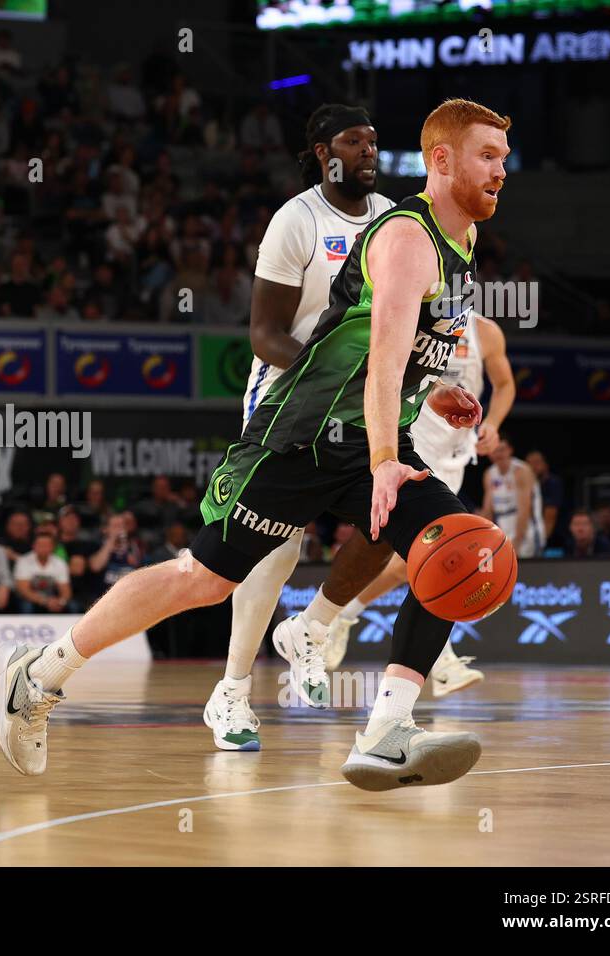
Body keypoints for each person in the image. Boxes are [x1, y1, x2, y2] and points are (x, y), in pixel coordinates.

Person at [0, 98, 510, 792]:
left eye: (504, 158)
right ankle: (39, 674)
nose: (502, 170)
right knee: (204, 579)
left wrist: (435, 387)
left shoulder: (464, 238)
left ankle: (387, 728)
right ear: (441, 161)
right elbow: (381, 360)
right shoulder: (408, 238)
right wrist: (391, 462)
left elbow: (401, 355)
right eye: (488, 156)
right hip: (300, 434)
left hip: (363, 435)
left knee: (456, 542)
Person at [200, 104, 397, 751]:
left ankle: (311, 628)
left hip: (363, 398)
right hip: (288, 393)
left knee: (394, 516)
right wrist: (330, 377)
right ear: (322, 151)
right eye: (352, 141)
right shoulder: (297, 221)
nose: (366, 151)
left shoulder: (395, 221)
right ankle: (231, 693)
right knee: (275, 546)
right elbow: (263, 334)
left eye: (372, 141)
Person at [323, 312, 516, 697]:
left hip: (455, 454)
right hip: (411, 443)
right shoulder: (413, 314)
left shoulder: (486, 332)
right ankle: (440, 663)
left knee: (423, 562)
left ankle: (342, 614)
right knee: (424, 557)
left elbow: (506, 383)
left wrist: (492, 423)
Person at [481, 434, 545, 558]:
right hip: (502, 526)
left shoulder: (521, 470)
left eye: (502, 450)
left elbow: (525, 510)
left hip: (527, 527)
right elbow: (488, 511)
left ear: (510, 450)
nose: (499, 454)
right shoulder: (489, 474)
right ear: (489, 453)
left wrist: (517, 541)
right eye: (495, 450)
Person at [13, 531, 74, 614]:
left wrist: (61, 602)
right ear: (34, 546)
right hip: (31, 600)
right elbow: (24, 590)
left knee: (73, 606)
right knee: (26, 606)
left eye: (47, 545)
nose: (43, 548)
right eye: (40, 545)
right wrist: (45, 601)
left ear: (53, 547)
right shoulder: (24, 561)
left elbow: (65, 590)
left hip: (53, 599)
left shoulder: (60, 563)